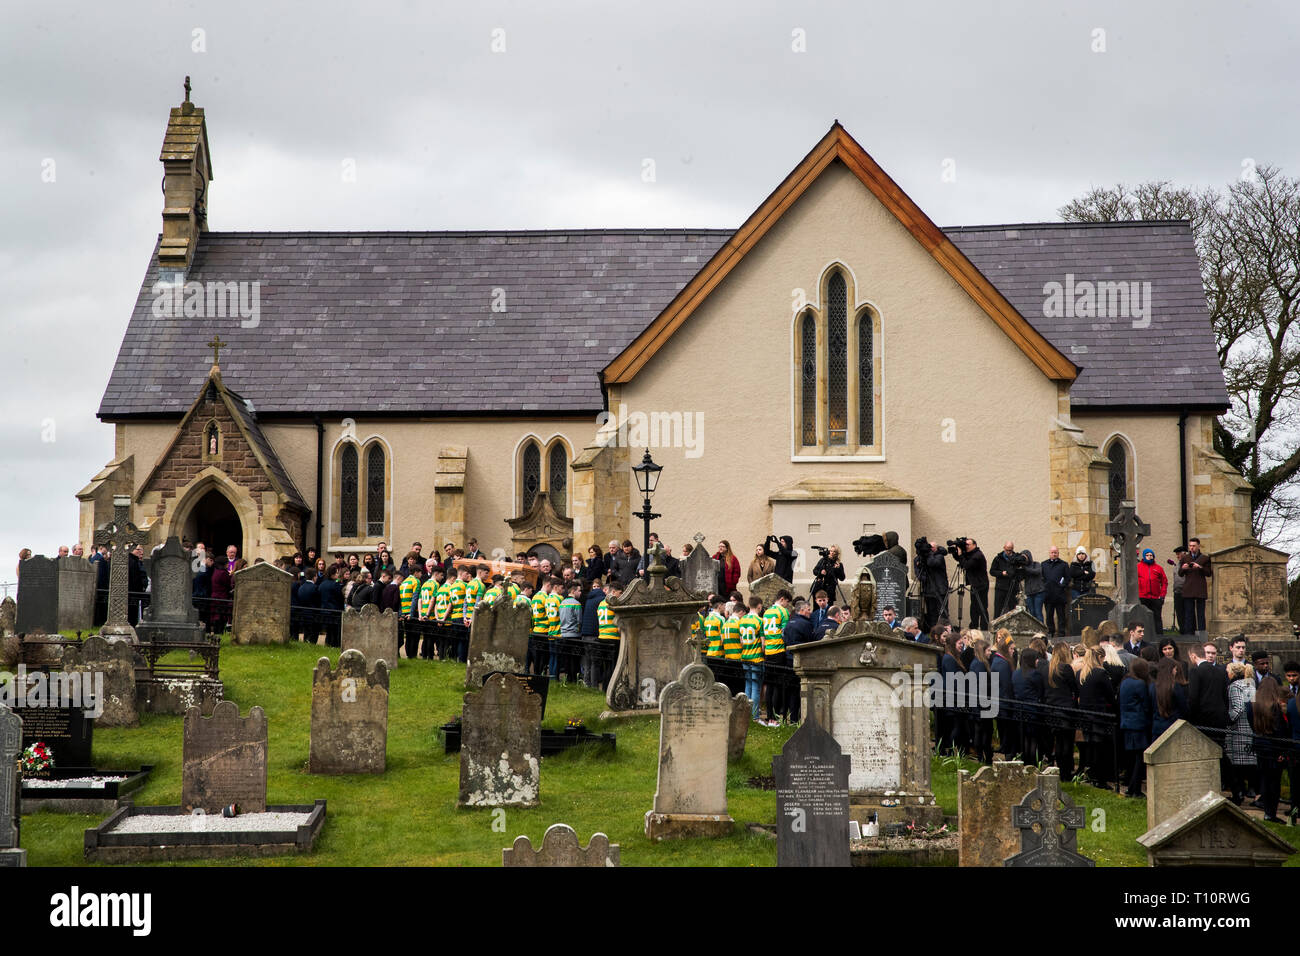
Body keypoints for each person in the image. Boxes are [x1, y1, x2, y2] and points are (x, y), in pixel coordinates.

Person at [1078, 644, 1117, 787]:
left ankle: (1093, 776)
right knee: (1100, 749)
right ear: (1100, 657)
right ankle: (1100, 780)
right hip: (1099, 715)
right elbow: (1110, 696)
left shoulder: (1082, 673)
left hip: (1085, 715)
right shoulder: (1101, 673)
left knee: (1091, 747)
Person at [1252, 677, 1289, 823]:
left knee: (1265, 779)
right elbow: (1279, 730)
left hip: (1260, 746)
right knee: (1274, 782)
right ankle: (1271, 813)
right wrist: (1282, 751)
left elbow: (1251, 722)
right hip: (1274, 747)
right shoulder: (1275, 707)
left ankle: (1267, 811)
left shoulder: (1255, 705)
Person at [1045, 642, 1080, 780]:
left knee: (1059, 742)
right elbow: (1074, 689)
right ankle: (1065, 773)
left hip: (1052, 710)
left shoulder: (1050, 668)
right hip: (1066, 711)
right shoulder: (1066, 668)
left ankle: (1060, 770)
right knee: (1066, 743)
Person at [1118, 658, 1153, 797]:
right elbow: (1146, 705)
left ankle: (1131, 786)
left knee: (1132, 758)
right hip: (1138, 724)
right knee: (1139, 758)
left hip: (1126, 723)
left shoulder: (1125, 681)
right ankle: (1135, 789)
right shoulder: (1140, 684)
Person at [1225, 662, 1257, 805]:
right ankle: (1250, 789)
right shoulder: (1250, 684)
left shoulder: (1234, 686)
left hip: (1238, 729)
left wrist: (1228, 719)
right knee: (1248, 763)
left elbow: (1238, 708)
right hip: (1250, 728)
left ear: (1232, 673)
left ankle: (1239, 793)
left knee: (1236, 764)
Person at [1012, 648, 1047, 763]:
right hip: (1033, 711)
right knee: (1033, 739)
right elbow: (1041, 692)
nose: (1038, 661)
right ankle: (1032, 763)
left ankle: (1025, 760)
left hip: (1019, 711)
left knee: (1025, 739)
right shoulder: (1035, 674)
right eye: (1036, 659)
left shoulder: (1016, 673)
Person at [937, 631, 968, 756]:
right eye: (960, 643)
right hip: (953, 698)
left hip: (955, 697)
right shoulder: (949, 658)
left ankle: (954, 749)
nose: (962, 646)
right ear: (954, 644)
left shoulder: (953, 657)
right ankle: (951, 750)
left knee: (957, 725)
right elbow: (953, 680)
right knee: (955, 726)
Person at [990, 630, 1017, 758]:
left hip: (999, 700)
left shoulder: (998, 661)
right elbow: (1006, 685)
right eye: (1011, 649)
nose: (1013, 651)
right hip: (1004, 702)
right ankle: (1007, 751)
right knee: (1006, 729)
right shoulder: (1002, 664)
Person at [1177, 537, 1213, 636]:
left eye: (1193, 546)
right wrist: (1184, 568)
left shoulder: (1205, 558)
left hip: (1200, 588)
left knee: (1201, 613)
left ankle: (1201, 633)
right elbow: (1180, 573)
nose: (1191, 548)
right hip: (1188, 588)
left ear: (1198, 546)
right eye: (1190, 546)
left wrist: (1200, 567)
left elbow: (1209, 573)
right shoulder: (1185, 558)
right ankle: (1188, 634)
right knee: (1189, 613)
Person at [968, 635, 994, 764]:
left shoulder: (979, 663)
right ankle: (983, 757)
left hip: (979, 703)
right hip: (981, 704)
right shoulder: (979, 665)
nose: (990, 652)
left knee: (982, 730)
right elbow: (981, 685)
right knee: (984, 731)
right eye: (988, 650)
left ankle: (982, 756)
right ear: (982, 651)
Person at [738, 597, 765, 721]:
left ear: (748, 606)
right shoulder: (760, 621)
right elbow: (763, 643)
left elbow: (741, 642)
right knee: (755, 686)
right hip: (756, 657)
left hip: (745, 656)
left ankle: (745, 714)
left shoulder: (742, 620)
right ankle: (755, 716)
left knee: (747, 684)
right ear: (759, 606)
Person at [954, 538, 990, 630]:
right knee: (974, 606)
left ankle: (984, 628)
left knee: (982, 607)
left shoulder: (977, 555)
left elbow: (966, 565)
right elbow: (961, 561)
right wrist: (957, 552)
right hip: (975, 584)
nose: (966, 546)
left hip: (981, 585)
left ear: (974, 545)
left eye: (968, 544)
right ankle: (974, 626)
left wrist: (961, 555)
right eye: (965, 545)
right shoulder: (971, 554)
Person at [916, 539, 948, 632]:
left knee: (942, 612)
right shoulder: (926, 557)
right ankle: (933, 631)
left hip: (940, 589)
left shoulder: (939, 556)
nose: (929, 549)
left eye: (932, 547)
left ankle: (943, 631)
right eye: (928, 547)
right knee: (931, 612)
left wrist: (928, 554)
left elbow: (932, 563)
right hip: (929, 589)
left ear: (936, 548)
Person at [1040, 546, 1070, 638]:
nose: (1054, 554)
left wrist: (1062, 585)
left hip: (1059, 594)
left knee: (1061, 615)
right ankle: (1050, 631)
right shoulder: (1044, 564)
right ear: (1049, 553)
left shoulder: (1064, 564)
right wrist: (1045, 586)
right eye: (1052, 552)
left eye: (1055, 552)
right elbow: (1041, 577)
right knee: (1049, 615)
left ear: (1058, 553)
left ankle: (1061, 632)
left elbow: (1067, 578)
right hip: (1048, 594)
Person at [1137, 548, 1168, 634]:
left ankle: (1159, 636)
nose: (1149, 557)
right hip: (1143, 597)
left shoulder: (1158, 568)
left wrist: (1162, 596)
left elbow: (1164, 582)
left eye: (1151, 555)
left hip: (1156, 598)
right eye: (1147, 555)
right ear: (1144, 556)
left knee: (1157, 618)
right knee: (1143, 618)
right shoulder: (1138, 567)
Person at [989, 541, 1021, 618]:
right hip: (1001, 587)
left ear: (1013, 549)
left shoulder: (1016, 558)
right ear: (1004, 548)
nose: (1008, 552)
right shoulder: (998, 558)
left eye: (1010, 550)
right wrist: (1001, 573)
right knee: (998, 608)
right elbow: (992, 571)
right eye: (1007, 550)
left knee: (1012, 609)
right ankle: (996, 626)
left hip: (1013, 588)